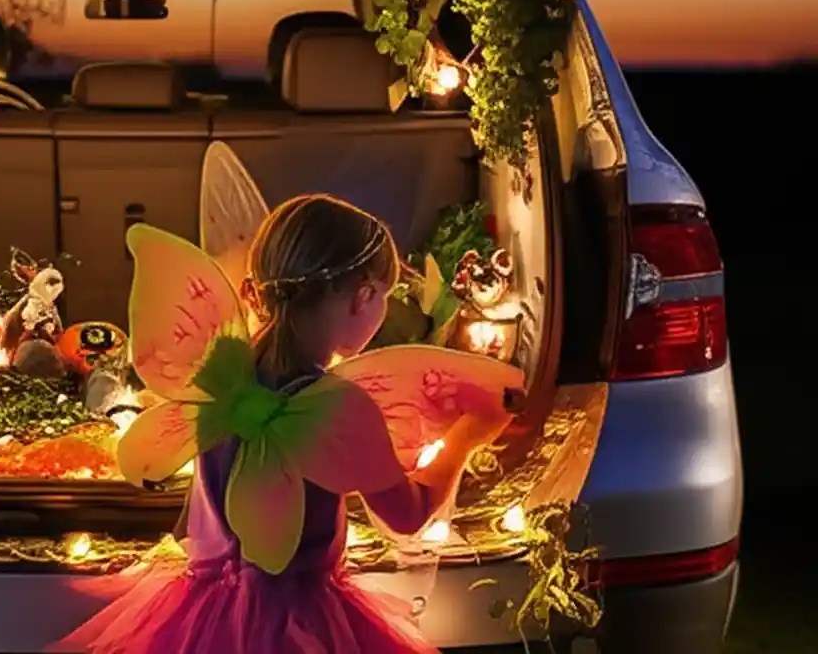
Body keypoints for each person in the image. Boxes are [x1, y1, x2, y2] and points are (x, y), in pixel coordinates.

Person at [51, 194, 517, 654]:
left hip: (199, 613)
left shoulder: (221, 376)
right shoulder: (333, 406)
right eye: (387, 296)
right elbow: (407, 515)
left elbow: (199, 512)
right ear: (363, 295)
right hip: (300, 622)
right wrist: (467, 436)